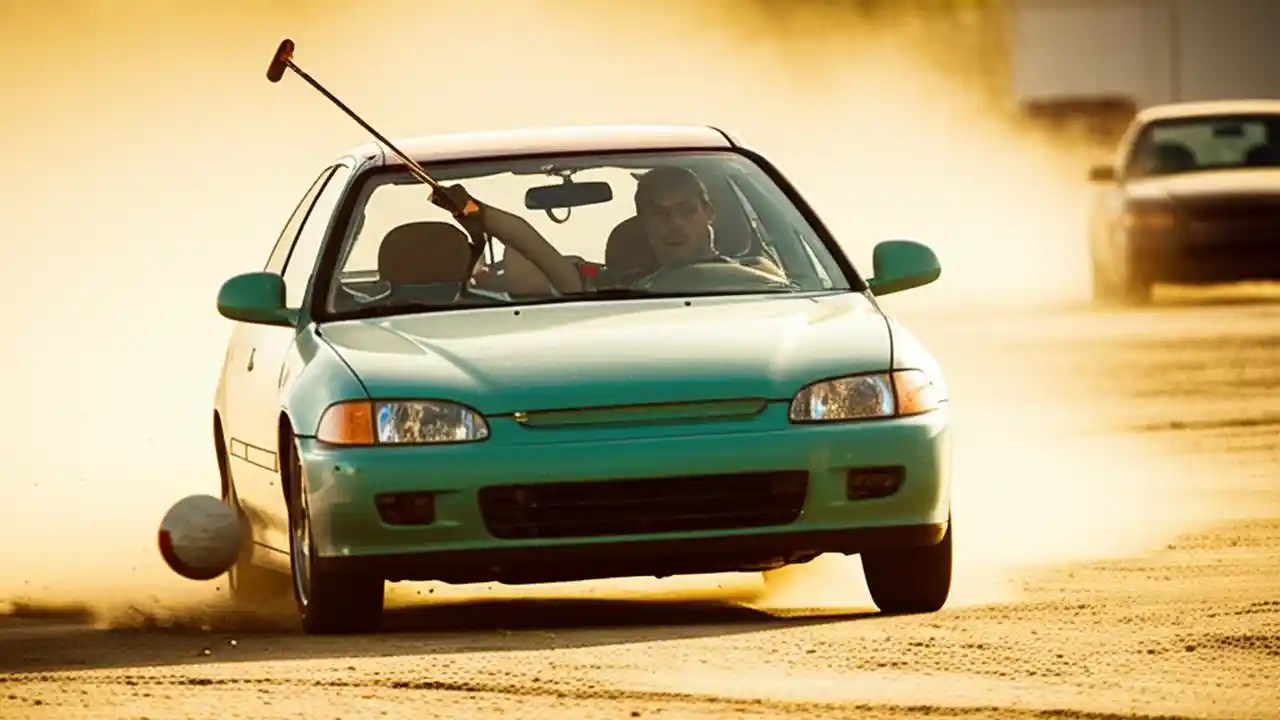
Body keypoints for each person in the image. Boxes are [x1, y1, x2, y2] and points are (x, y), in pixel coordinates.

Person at [432, 164, 786, 296]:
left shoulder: (764, 276)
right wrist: (470, 209)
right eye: (659, 214)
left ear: (708, 212)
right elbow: (530, 244)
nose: (674, 224)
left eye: (686, 210)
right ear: (643, 222)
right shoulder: (620, 292)